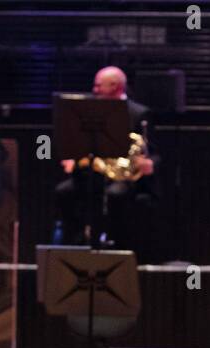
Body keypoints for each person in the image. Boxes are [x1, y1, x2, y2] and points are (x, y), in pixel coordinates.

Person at [53, 66, 159, 256]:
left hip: (122, 177)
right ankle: (74, 244)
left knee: (115, 195)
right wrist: (74, 158)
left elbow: (155, 152)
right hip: (94, 171)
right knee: (64, 192)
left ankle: (119, 248)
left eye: (98, 85)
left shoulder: (139, 113)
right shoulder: (88, 110)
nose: (94, 90)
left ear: (115, 86)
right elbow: (80, 141)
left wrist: (149, 163)